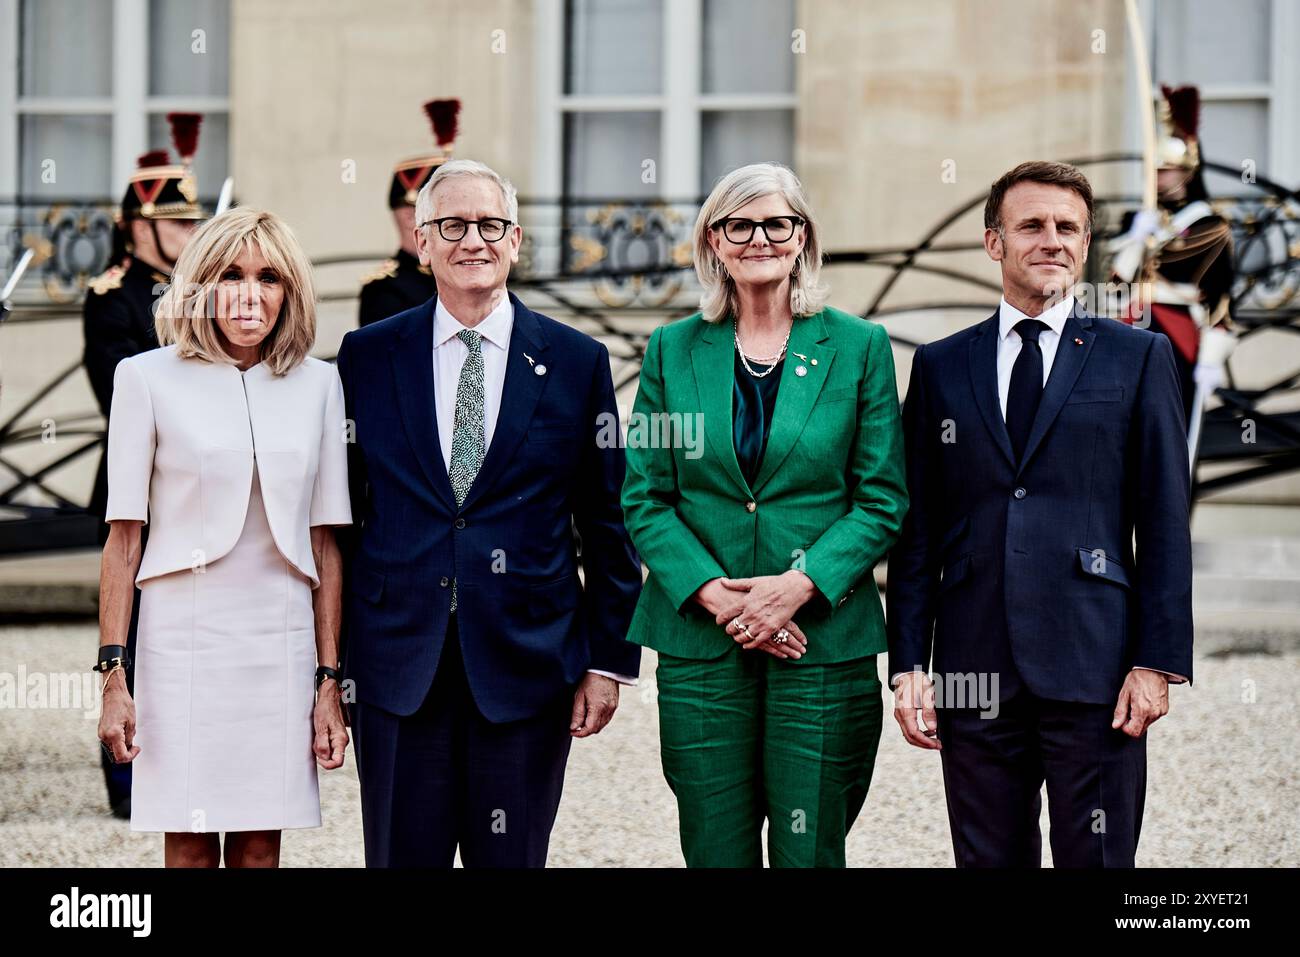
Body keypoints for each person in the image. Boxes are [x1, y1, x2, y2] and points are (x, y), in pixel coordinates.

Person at [886, 161, 1193, 868]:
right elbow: (917, 526)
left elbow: (1166, 519)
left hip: (1098, 666)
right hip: (973, 669)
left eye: (1068, 228)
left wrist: (1157, 661)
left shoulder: (1139, 359)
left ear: (1085, 246)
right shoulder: (939, 366)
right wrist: (908, 662)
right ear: (994, 242)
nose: (1050, 239)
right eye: (1032, 225)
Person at [336, 159, 641, 868]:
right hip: (396, 669)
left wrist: (609, 661)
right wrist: (329, 669)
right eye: (452, 225)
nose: (472, 239)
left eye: (490, 224)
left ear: (514, 239)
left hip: (528, 669)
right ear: (421, 241)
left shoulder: (575, 360)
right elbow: (342, 518)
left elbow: (607, 520)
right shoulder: (369, 356)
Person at [621, 162, 908, 867]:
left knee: (809, 849)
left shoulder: (858, 346)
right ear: (713, 241)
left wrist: (796, 587)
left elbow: (881, 497)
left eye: (776, 222)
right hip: (701, 645)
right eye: (738, 224)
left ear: (801, 236)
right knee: (715, 848)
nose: (759, 238)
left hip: (821, 643)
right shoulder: (672, 349)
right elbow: (645, 495)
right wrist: (723, 599)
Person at [95, 208, 352, 867]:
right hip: (182, 643)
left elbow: (325, 546)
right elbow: (124, 541)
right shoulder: (145, 378)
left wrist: (329, 679)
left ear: (289, 292)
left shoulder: (320, 385)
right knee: (186, 846)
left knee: (261, 848)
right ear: (199, 286)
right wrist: (113, 675)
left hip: (282, 645)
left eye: (269, 277)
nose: (249, 292)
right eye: (230, 274)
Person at [82, 113, 206, 819]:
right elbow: (117, 391)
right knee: (125, 632)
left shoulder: (202, 293)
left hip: (194, 490)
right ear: (139, 226)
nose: (189, 235)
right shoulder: (111, 298)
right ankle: (126, 779)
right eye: (176, 223)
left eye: (194, 224)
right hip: (140, 487)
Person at [1110, 84, 1236, 425]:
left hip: (1176, 329)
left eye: (1165, 170)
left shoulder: (1210, 227)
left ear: (1187, 171)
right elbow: (1114, 287)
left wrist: (1211, 359)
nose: (1157, 177)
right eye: (1155, 170)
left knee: (1167, 420)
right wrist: (1136, 239)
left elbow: (1220, 301)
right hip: (1132, 320)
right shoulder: (1139, 221)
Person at [356, 99, 460, 327]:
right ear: (409, 217)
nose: (459, 224)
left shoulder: (461, 275)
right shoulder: (386, 289)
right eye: (446, 213)